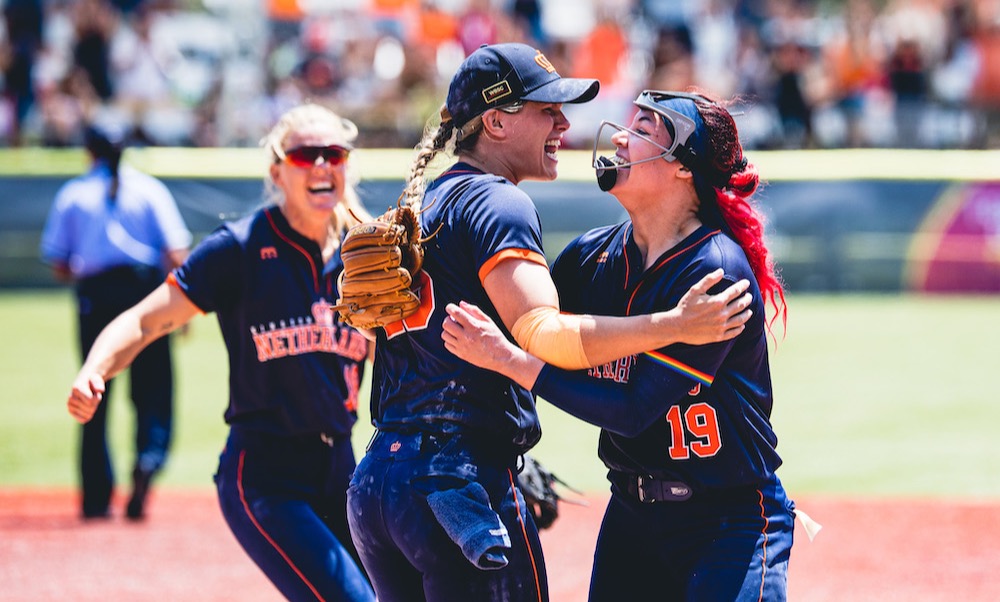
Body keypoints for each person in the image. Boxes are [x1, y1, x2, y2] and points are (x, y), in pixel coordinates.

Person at [345, 43, 753, 602]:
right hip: (456, 485)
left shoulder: (427, 204)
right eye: (545, 108)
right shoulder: (497, 203)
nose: (564, 122)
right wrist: (674, 324)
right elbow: (545, 333)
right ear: (495, 121)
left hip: (378, 485)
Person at [441, 90, 797, 601]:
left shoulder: (713, 273)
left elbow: (634, 411)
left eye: (647, 130)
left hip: (729, 521)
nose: (623, 138)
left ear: (682, 168)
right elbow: (499, 331)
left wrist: (512, 361)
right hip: (633, 517)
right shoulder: (593, 257)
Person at [64, 103, 376, 601]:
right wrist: (95, 369)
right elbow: (146, 320)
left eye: (333, 153)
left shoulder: (367, 257)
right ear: (277, 170)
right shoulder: (241, 248)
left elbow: (413, 357)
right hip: (266, 479)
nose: (321, 165)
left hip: (344, 471)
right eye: (304, 155)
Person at [41, 119, 192, 521]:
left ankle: (95, 498)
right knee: (154, 389)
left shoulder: (73, 194)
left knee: (93, 388)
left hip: (95, 295)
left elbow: (58, 261)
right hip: (146, 293)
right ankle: (148, 458)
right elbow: (177, 252)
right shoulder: (149, 189)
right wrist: (185, 309)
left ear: (89, 151)